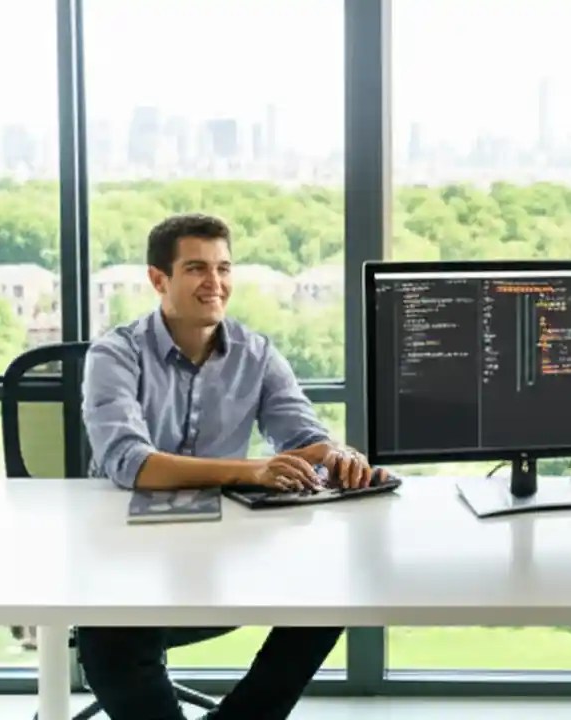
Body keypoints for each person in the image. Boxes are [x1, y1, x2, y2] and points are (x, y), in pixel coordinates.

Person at [80, 212, 385, 720]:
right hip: (123, 566)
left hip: (219, 566)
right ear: (159, 279)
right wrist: (251, 471)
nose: (215, 283)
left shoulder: (257, 354)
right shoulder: (114, 354)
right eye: (196, 268)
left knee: (331, 598)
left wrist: (336, 454)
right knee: (109, 639)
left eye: (224, 268)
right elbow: (131, 464)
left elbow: (302, 437)